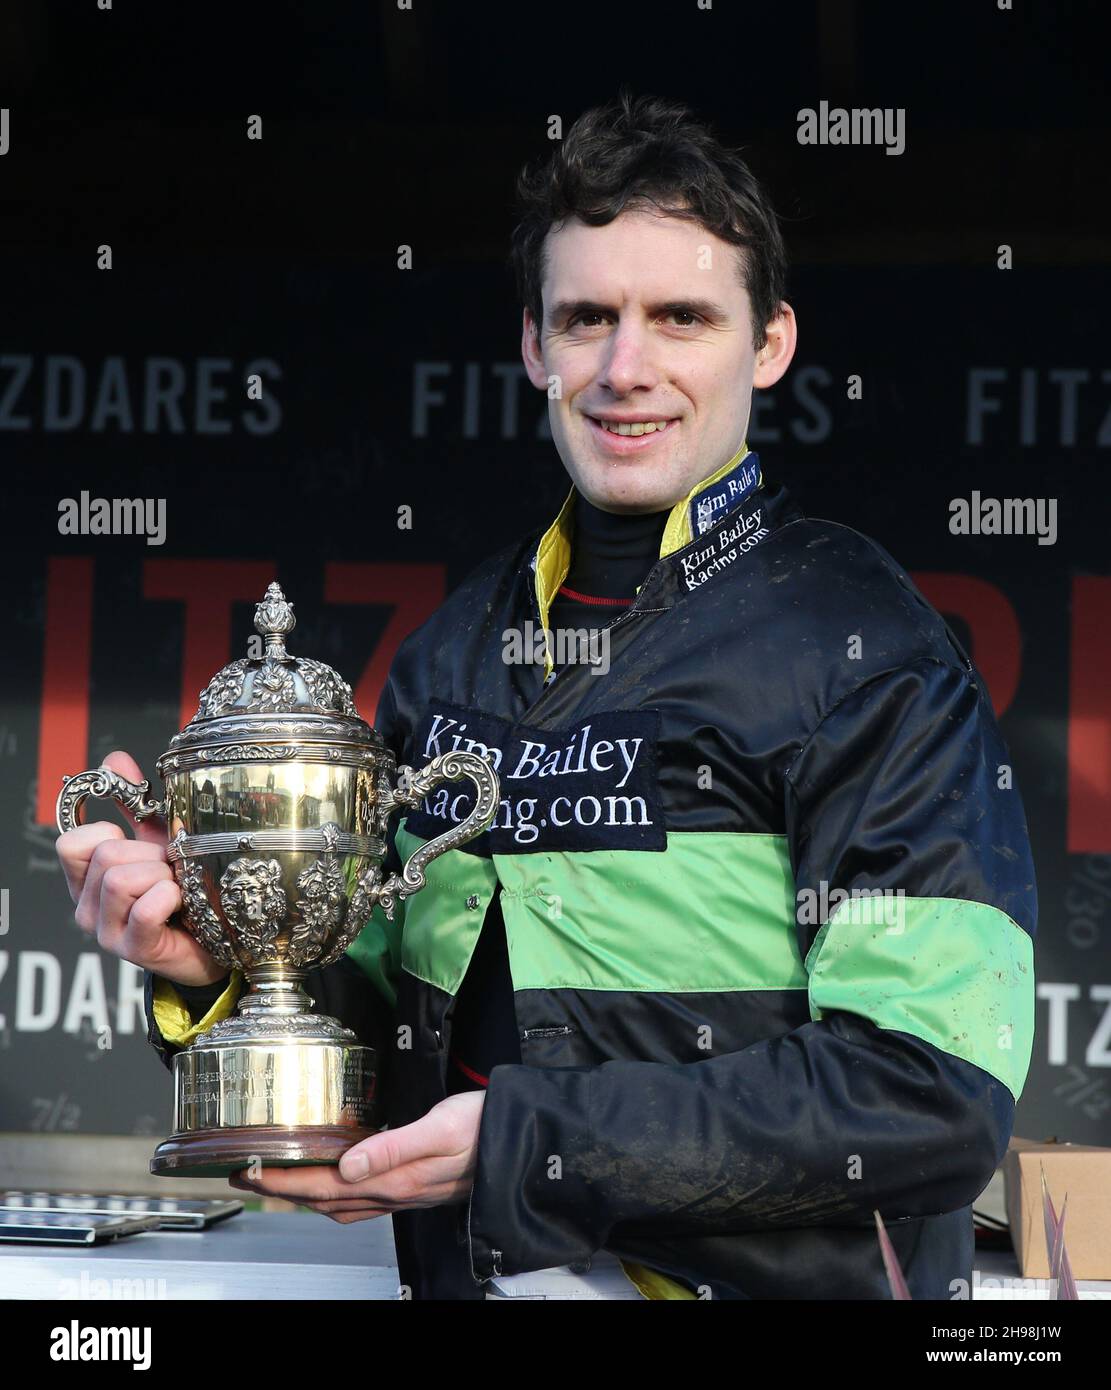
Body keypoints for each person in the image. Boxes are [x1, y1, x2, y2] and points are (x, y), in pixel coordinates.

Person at [56, 89, 1037, 1300]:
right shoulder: (449, 654)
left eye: (681, 317)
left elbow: (929, 1094)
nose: (628, 368)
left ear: (769, 343)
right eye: (587, 319)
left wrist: (530, 1144)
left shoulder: (869, 647)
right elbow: (370, 1017)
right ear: (534, 346)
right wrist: (206, 962)